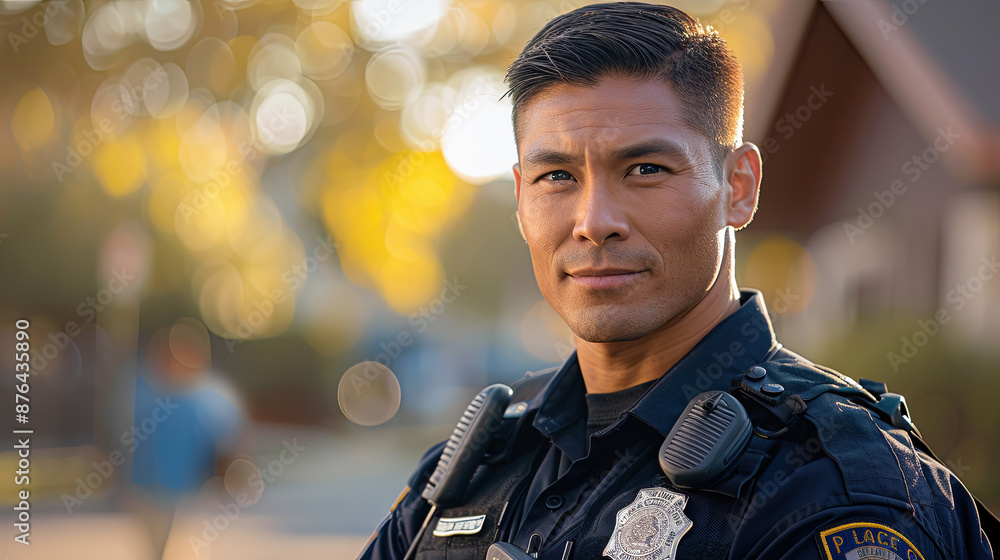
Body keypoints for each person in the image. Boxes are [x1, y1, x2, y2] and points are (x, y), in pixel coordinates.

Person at [358, 3, 996, 559]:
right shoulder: (482, 462)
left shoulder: (835, 487)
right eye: (558, 177)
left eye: (644, 168)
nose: (595, 222)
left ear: (737, 188)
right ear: (521, 197)